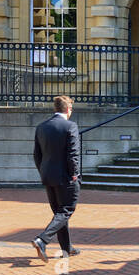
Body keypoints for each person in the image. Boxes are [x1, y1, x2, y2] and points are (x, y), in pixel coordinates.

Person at [31, 95, 81, 262]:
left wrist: (43, 171)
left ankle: (66, 247)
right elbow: (73, 154)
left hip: (47, 175)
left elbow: (36, 155)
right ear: (68, 109)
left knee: (59, 213)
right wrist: (75, 173)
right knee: (66, 210)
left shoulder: (41, 127)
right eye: (71, 109)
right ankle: (42, 240)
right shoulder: (70, 126)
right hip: (66, 177)